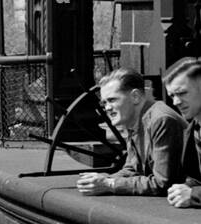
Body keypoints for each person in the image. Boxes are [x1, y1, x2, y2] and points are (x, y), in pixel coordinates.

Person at [76, 67, 185, 197]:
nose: (107, 108)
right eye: (104, 103)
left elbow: (162, 183)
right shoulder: (134, 119)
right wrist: (103, 179)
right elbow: (132, 168)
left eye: (112, 100)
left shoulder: (161, 120)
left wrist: (109, 184)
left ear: (135, 97)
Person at [164, 58, 201, 209]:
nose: (175, 102)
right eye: (172, 95)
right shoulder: (192, 130)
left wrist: (194, 195)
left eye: (182, 93)